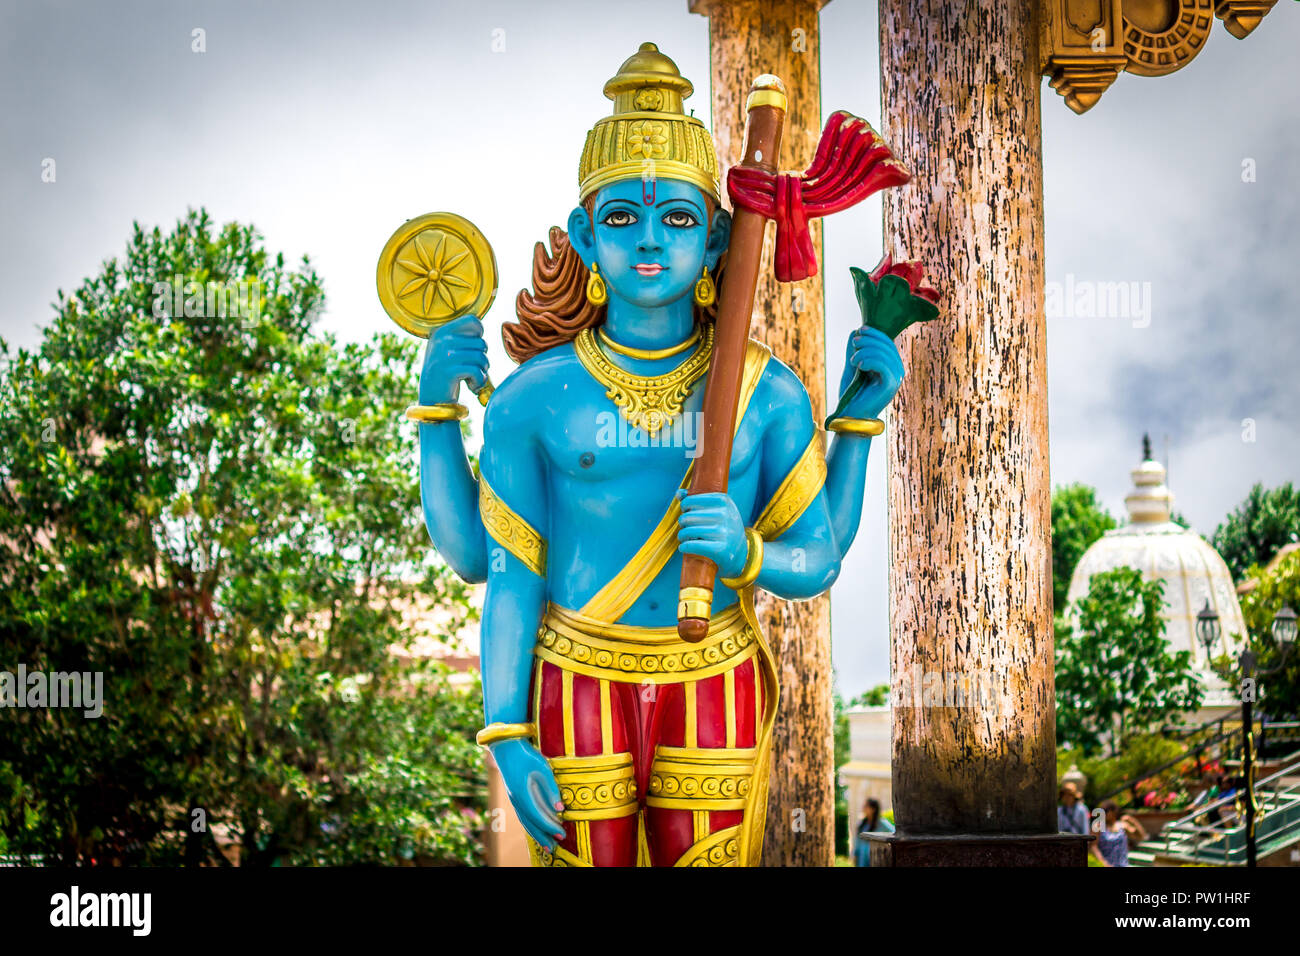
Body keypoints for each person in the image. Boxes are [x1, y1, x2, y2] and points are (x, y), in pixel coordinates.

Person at [413, 43, 914, 867]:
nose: (650, 241)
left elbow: (818, 557)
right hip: (574, 676)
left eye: (678, 219)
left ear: (716, 238)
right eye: (622, 218)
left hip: (712, 674)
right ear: (585, 234)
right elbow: (491, 565)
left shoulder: (768, 392)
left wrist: (754, 545)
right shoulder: (534, 398)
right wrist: (504, 728)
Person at [1091, 799, 1148, 867]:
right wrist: (1104, 863)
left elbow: (1141, 836)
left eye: (1106, 811)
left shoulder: (1122, 825)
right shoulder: (1098, 826)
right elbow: (1093, 846)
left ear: (1114, 811)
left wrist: (1133, 821)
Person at [854, 798, 895, 867]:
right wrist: (855, 855)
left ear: (873, 809)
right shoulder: (862, 824)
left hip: (876, 859)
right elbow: (858, 842)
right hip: (862, 859)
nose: (864, 808)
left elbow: (894, 833)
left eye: (866, 806)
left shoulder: (882, 823)